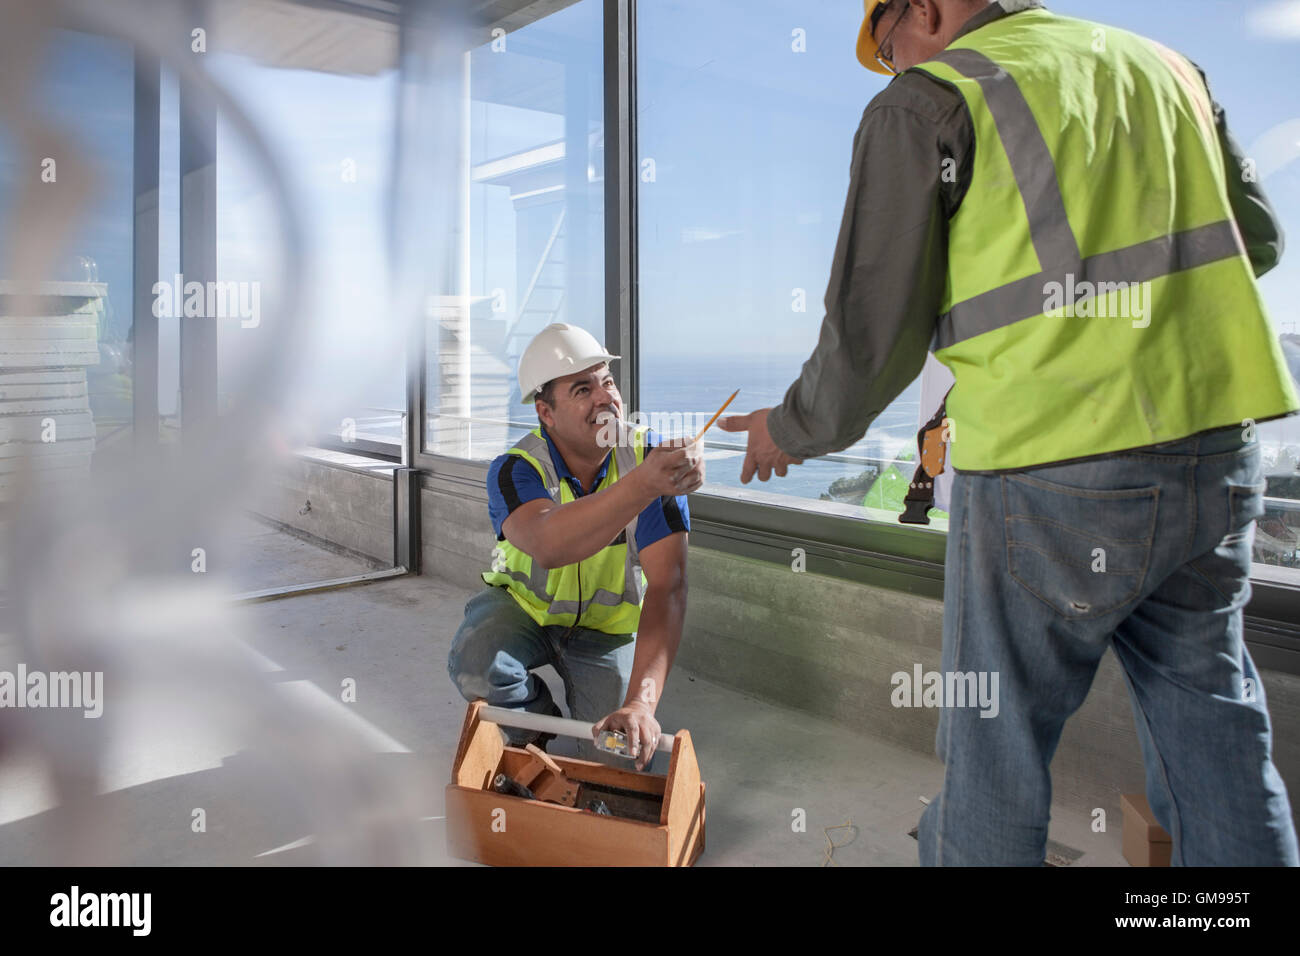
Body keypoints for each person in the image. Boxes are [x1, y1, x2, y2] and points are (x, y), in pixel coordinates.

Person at [719, 0, 1300, 865]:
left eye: (889, 46)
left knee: (997, 749)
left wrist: (789, 430)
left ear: (926, 10)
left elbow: (872, 333)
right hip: (1215, 446)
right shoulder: (1167, 66)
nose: (893, 67)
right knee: (1212, 724)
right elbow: (1256, 241)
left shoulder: (929, 100)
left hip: (1050, 460)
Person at [447, 323, 704, 771]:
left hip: (605, 632)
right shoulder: (516, 469)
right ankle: (535, 728)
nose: (605, 398)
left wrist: (641, 705)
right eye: (582, 389)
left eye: (607, 382)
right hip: (525, 611)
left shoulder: (648, 461)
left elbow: (669, 585)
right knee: (476, 661)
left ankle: (593, 721)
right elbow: (548, 543)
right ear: (546, 413)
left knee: (617, 754)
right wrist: (643, 486)